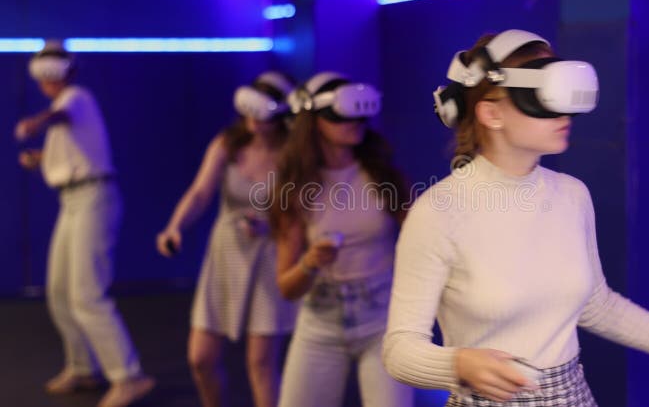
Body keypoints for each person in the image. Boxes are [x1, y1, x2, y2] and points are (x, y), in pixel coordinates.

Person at [381, 29, 649, 406]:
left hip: (573, 396)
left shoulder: (572, 195)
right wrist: (459, 363)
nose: (563, 113)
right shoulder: (439, 211)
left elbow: (597, 305)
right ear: (491, 113)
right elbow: (399, 350)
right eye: (542, 98)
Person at [15, 40, 155, 407]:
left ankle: (129, 376)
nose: (45, 81)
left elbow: (60, 116)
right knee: (60, 291)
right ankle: (81, 367)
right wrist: (42, 157)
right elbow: (75, 147)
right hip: (72, 200)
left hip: (94, 199)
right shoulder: (67, 107)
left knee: (87, 294)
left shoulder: (77, 97)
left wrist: (35, 123)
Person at [269, 72, 413, 407]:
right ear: (313, 121)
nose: (354, 122)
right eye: (340, 115)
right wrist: (310, 262)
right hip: (320, 321)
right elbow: (286, 287)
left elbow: (422, 238)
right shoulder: (296, 188)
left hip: (382, 318)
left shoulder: (382, 177)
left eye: (359, 115)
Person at [156, 72, 298, 407]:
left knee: (260, 363)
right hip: (226, 252)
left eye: (262, 117)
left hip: (268, 254)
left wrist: (270, 228)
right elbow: (200, 192)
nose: (254, 123)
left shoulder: (292, 155)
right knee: (200, 357)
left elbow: (300, 211)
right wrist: (175, 227)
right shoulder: (228, 143)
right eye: (249, 114)